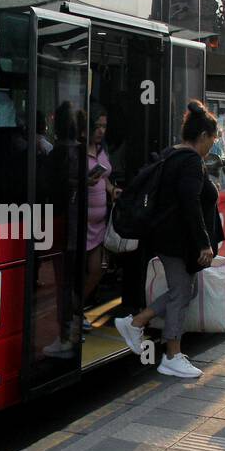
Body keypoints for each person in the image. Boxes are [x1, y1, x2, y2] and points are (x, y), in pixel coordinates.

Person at [115, 101, 221, 378]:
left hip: (168, 238)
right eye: (213, 139)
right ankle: (171, 355)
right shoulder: (190, 162)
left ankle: (136, 323)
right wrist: (203, 243)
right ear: (202, 137)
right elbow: (190, 204)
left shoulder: (171, 154)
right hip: (179, 242)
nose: (213, 145)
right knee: (181, 293)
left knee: (186, 291)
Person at [84, 111, 120, 314]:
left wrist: (112, 190)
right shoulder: (78, 151)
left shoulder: (101, 150)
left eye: (104, 127)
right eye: (97, 126)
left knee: (98, 269)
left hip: (99, 224)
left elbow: (105, 178)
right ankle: (71, 315)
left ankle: (76, 308)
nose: (101, 131)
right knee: (79, 272)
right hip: (81, 222)